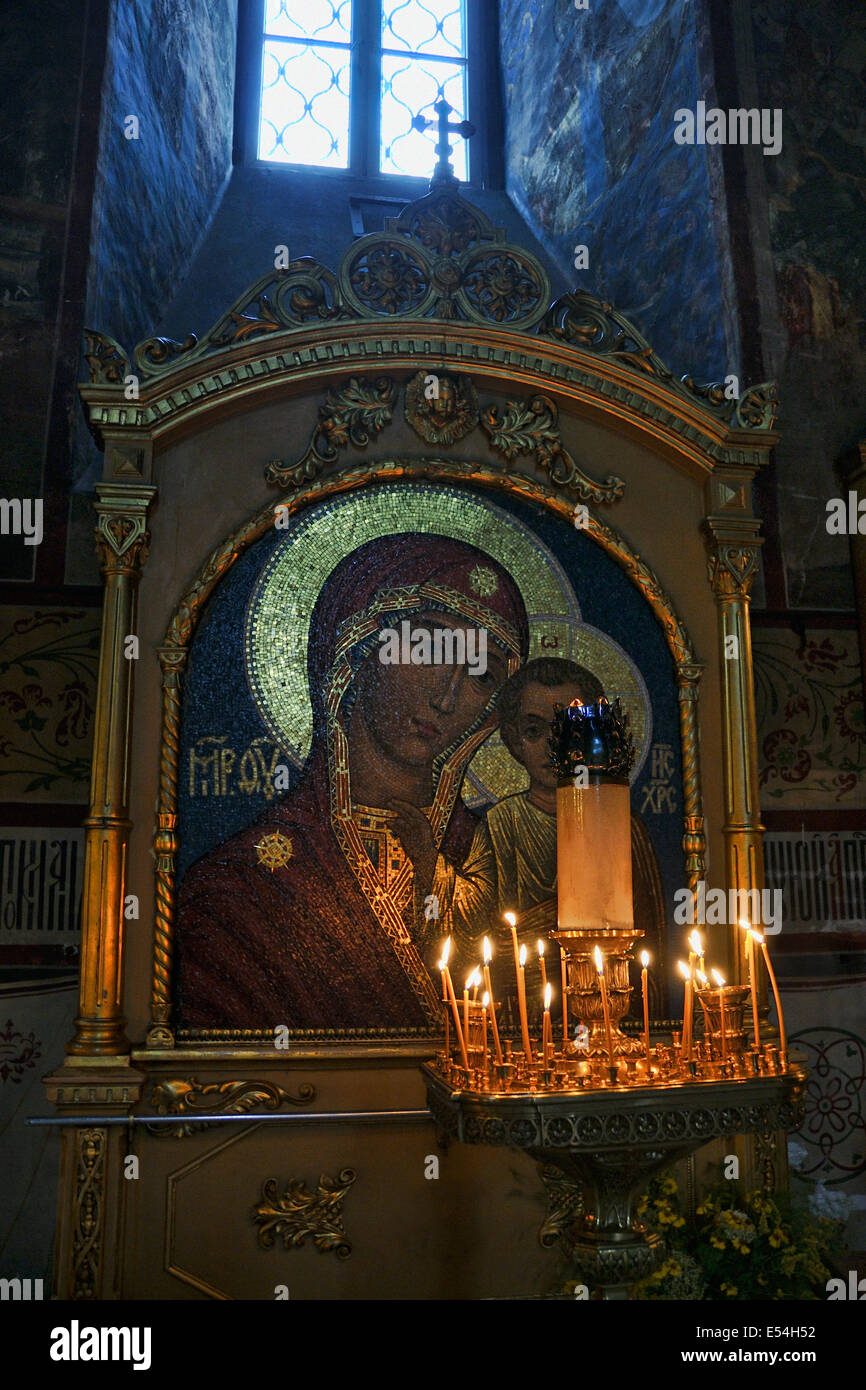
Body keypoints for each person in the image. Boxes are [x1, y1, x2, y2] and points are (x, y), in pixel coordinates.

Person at [175, 533, 529, 1032]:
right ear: (355, 651)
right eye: (429, 650)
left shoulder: (486, 853)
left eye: (481, 676)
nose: (447, 698)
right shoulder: (238, 890)